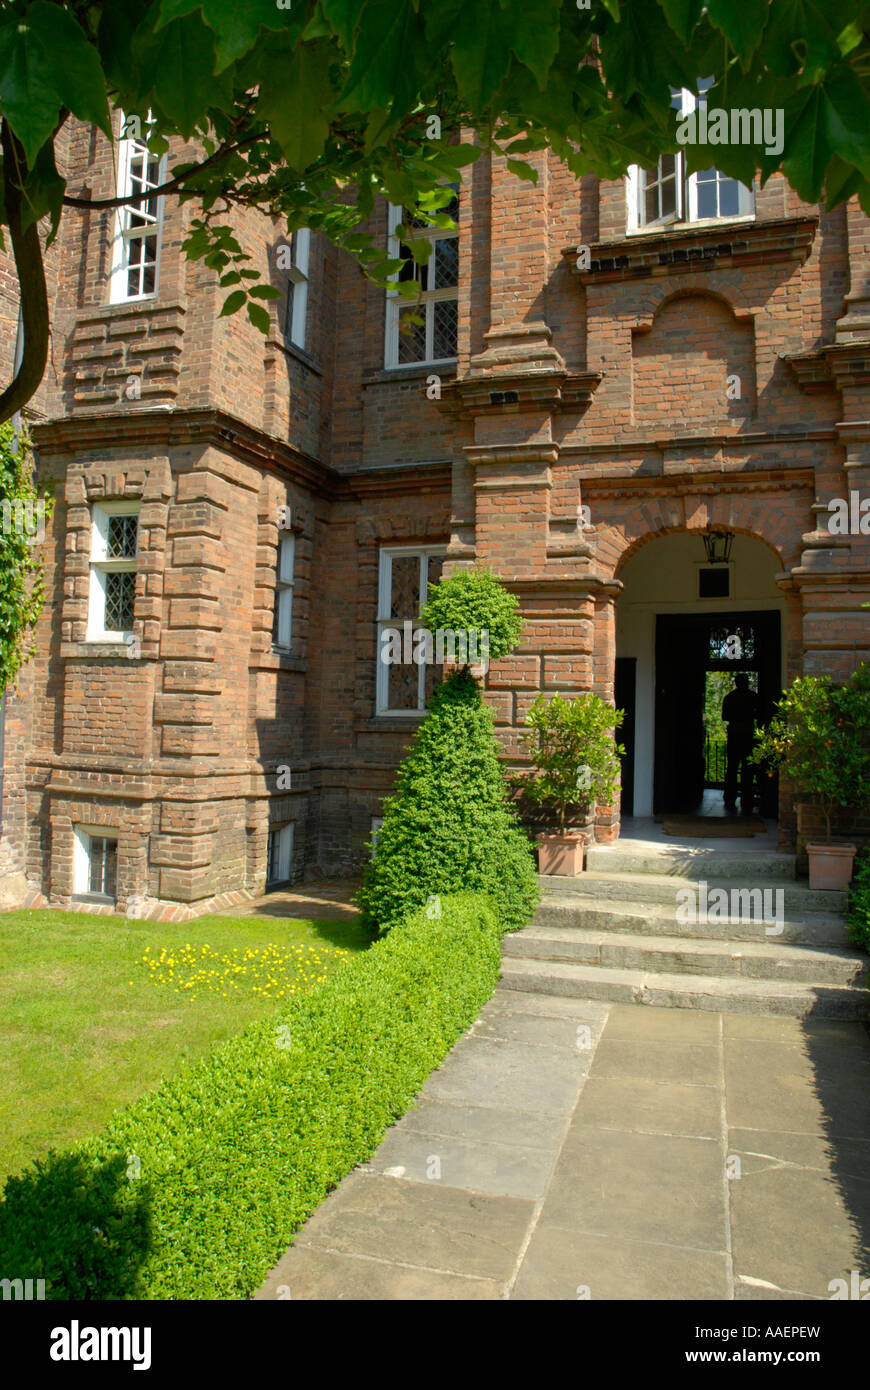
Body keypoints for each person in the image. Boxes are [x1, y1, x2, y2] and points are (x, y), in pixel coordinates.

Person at [721, 673, 760, 813]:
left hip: (734, 735)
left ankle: (730, 798)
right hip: (748, 735)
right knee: (747, 770)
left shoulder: (729, 697)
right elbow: (759, 714)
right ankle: (746, 799)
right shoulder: (753, 697)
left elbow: (725, 716)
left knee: (732, 769)